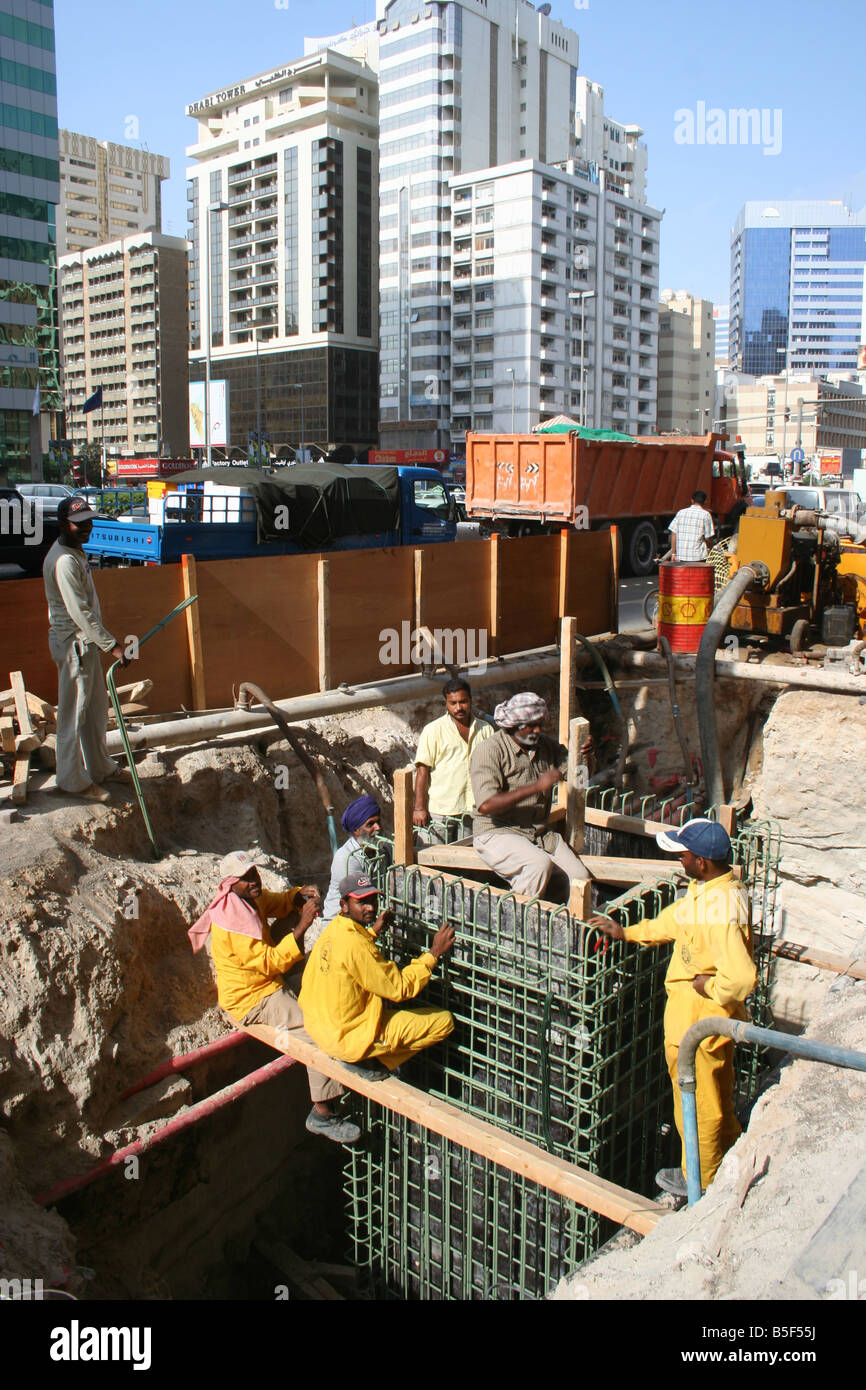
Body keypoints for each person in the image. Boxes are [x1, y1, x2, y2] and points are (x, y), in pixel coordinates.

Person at [590, 818, 755, 1198]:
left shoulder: (720, 910)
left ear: (701, 862)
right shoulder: (712, 888)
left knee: (698, 1103)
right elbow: (676, 920)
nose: (678, 860)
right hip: (701, 1018)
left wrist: (708, 985)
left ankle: (701, 1178)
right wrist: (628, 932)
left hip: (699, 1021)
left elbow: (742, 979)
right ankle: (726, 1151)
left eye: (683, 855)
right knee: (718, 1091)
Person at [188, 850, 359, 1145]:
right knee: (315, 1032)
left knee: (292, 914)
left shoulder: (247, 901)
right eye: (246, 879)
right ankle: (323, 1112)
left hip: (263, 980)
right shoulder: (232, 923)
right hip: (252, 999)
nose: (254, 881)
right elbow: (270, 963)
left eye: (254, 874)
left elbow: (276, 903)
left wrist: (297, 896)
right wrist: (303, 925)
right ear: (231, 884)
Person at [299, 873, 455, 1079]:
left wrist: (373, 932)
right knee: (444, 1022)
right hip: (346, 1037)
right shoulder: (357, 945)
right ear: (344, 905)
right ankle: (370, 1061)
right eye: (361, 902)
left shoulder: (335, 929)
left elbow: (353, 958)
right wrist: (433, 953)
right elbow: (399, 989)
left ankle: (365, 1055)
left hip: (320, 1026)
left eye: (373, 900)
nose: (371, 907)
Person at [42, 494, 137, 803]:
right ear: (62, 525)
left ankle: (99, 768)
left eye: (88, 522)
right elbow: (79, 613)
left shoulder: (76, 551)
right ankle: (71, 780)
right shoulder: (64, 561)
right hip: (74, 648)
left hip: (85, 646)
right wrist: (113, 647)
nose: (86, 528)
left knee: (96, 709)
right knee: (73, 714)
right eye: (78, 524)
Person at [469, 692, 590, 902]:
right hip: (497, 832)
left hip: (538, 833)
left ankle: (570, 930)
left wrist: (585, 757)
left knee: (580, 878)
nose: (537, 731)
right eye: (531, 726)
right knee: (537, 865)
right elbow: (486, 805)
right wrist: (535, 787)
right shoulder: (489, 751)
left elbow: (579, 778)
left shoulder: (544, 745)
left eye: (539, 725)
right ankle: (519, 927)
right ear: (513, 725)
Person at [413, 678, 494, 843]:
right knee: (434, 859)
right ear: (446, 704)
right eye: (453, 703)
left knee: (468, 860)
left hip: (473, 810)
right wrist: (419, 808)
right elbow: (422, 771)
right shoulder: (433, 731)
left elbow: (495, 768)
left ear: (470, 700)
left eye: (463, 702)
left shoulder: (486, 730)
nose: (458, 708)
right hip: (441, 811)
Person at [669, 490, 716, 563]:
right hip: (698, 557)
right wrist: (711, 549)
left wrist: (674, 553)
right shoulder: (705, 515)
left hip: (681, 556)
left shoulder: (681, 513)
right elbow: (708, 538)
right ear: (705, 502)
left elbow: (674, 533)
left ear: (692, 500)